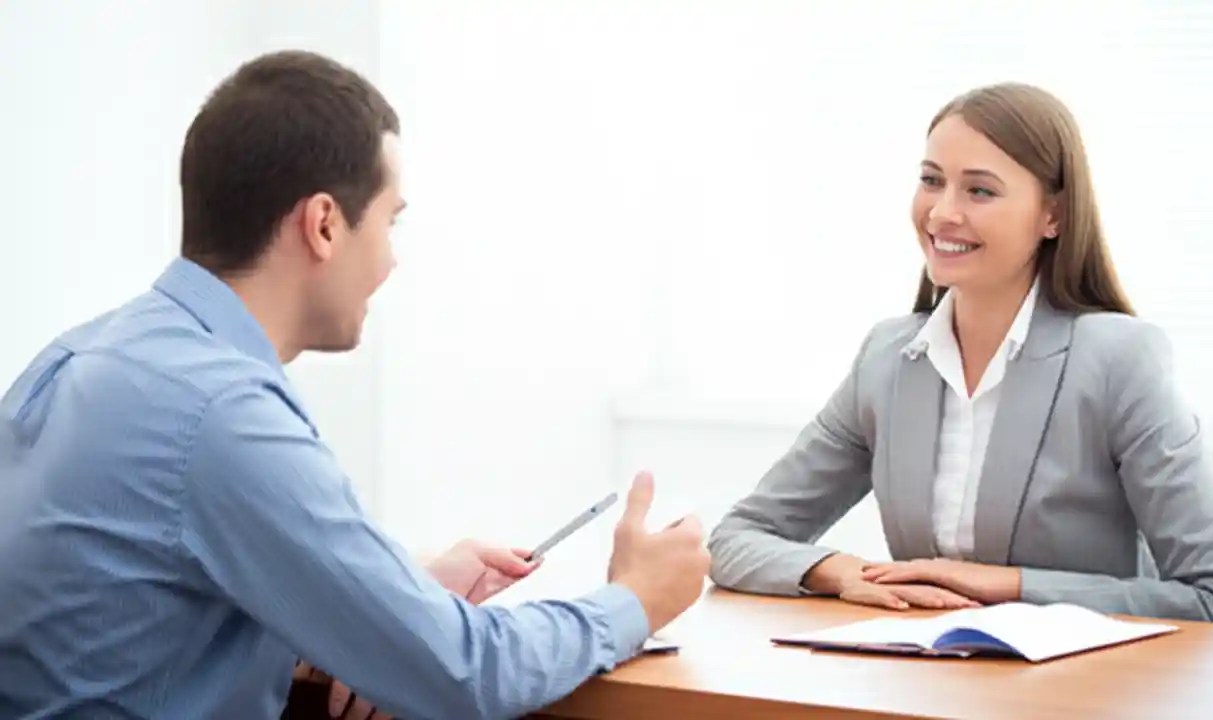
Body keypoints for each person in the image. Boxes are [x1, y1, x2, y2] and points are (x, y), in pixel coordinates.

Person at [0, 50, 710, 719]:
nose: (393, 260)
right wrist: (635, 601)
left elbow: (135, 603)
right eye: (390, 222)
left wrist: (386, 601)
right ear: (324, 225)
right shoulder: (222, 415)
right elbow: (467, 675)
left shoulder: (83, 358)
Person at [707, 82, 1213, 625]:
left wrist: (1010, 586)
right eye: (931, 181)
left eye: (980, 191)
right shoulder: (887, 360)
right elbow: (736, 539)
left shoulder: (1119, 361)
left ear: (1053, 216)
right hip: (930, 686)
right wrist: (847, 573)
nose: (942, 213)